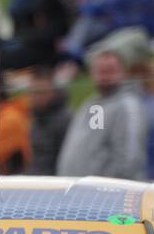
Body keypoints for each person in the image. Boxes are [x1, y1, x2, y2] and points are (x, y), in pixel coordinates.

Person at [56, 49, 148, 179]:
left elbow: (129, 160)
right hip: (81, 192)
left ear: (124, 73)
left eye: (110, 70)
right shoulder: (93, 103)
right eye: (100, 71)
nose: (104, 76)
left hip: (106, 194)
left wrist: (105, 188)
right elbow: (91, 147)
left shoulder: (127, 106)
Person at [27, 68, 71, 175]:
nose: (35, 97)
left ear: (54, 92)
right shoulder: (37, 118)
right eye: (32, 93)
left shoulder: (64, 121)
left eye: (40, 93)